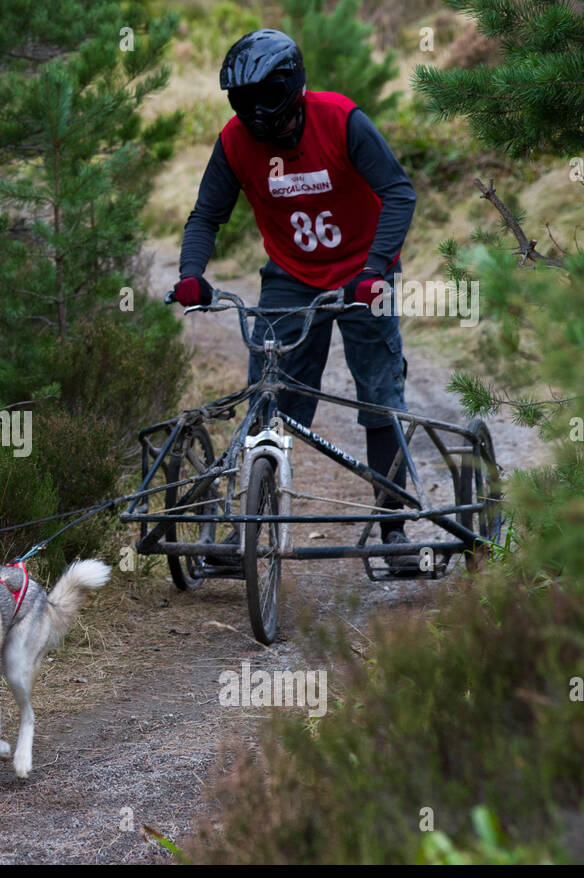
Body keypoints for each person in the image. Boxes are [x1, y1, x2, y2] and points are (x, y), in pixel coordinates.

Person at [174, 28, 419, 574]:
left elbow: (398, 192)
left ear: (290, 89)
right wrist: (191, 273)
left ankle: (394, 532)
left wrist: (376, 269)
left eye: (266, 101)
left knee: (379, 396)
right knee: (271, 401)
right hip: (290, 277)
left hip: (363, 276)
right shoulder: (236, 141)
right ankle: (253, 534)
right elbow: (206, 215)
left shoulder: (341, 119)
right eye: (244, 103)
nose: (257, 116)